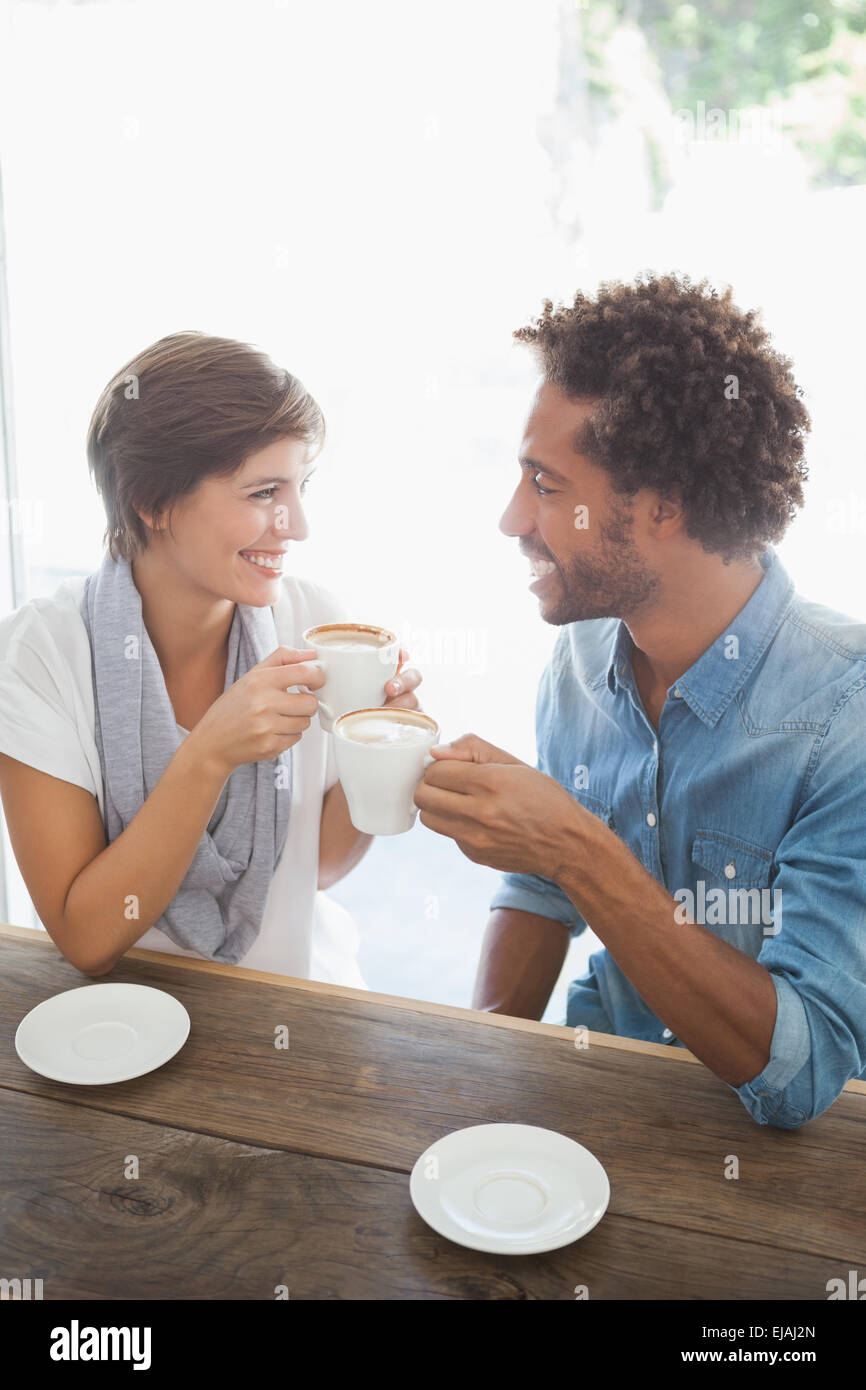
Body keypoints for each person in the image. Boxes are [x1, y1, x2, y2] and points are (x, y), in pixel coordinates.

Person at [415, 271, 866, 1130]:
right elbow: (539, 890)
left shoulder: (848, 715)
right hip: (608, 1073)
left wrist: (576, 848)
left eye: (546, 487)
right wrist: (484, 1069)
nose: (513, 520)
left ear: (665, 508)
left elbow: (803, 1070)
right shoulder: (584, 652)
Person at [0, 331, 421, 983]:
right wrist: (209, 754)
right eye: (263, 493)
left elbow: (322, 865)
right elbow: (85, 937)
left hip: (288, 999)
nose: (297, 525)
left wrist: (380, 751)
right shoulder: (43, 654)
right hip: (116, 1021)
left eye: (301, 486)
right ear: (152, 500)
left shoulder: (316, 624)